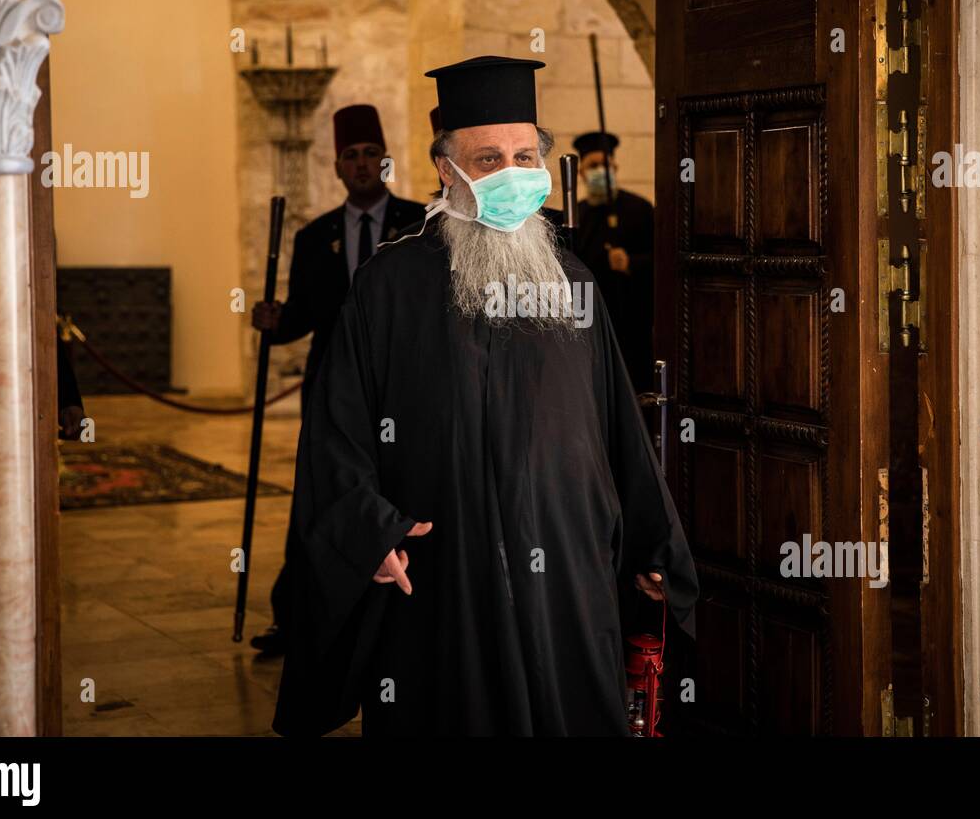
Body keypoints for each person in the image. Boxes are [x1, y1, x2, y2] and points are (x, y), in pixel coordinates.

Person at [272, 55, 697, 736]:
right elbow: (335, 430)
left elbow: (615, 423)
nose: (512, 172)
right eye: (489, 157)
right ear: (449, 169)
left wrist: (651, 542)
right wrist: (368, 531)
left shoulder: (571, 280)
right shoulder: (392, 286)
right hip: (443, 567)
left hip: (566, 562)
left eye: (525, 155)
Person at [248, 104, 425, 657]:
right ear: (337, 167)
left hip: (402, 385)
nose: (363, 163)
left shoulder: (419, 224)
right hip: (334, 387)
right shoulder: (313, 235)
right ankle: (298, 612)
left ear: (385, 161)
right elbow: (302, 314)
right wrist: (275, 322)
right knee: (322, 492)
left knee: (401, 487)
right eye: (351, 156)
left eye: (371, 153)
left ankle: (404, 598)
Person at [572, 131, 656, 392]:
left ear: (615, 167)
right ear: (582, 173)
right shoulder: (577, 215)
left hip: (633, 321)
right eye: (593, 166)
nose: (600, 171)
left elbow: (663, 261)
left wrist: (631, 263)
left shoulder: (640, 209)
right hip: (591, 321)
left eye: (605, 165)